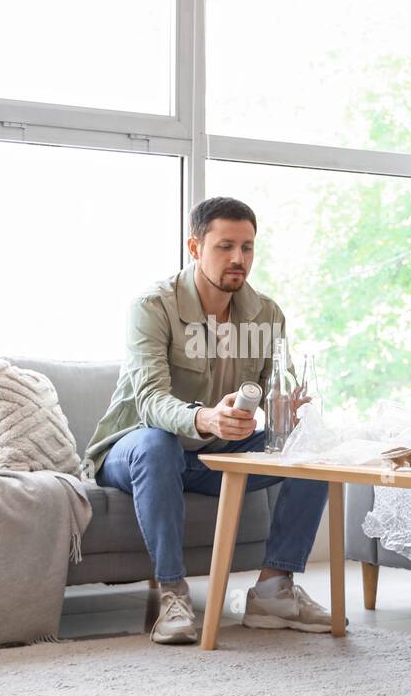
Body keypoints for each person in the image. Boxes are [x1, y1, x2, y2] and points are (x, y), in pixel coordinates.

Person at [84, 196, 332, 645]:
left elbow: (277, 388)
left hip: (212, 459)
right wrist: (205, 419)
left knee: (311, 447)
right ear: (195, 247)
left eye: (248, 248)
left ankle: (273, 590)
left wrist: (288, 413)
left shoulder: (266, 314)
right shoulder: (153, 306)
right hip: (133, 449)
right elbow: (150, 401)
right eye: (225, 247)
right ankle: (173, 594)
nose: (239, 259)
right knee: (158, 442)